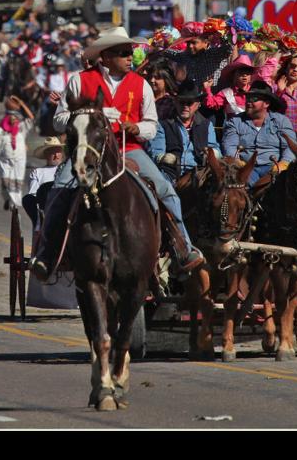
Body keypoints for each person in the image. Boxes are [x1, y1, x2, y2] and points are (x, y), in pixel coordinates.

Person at [31, 27, 204, 281]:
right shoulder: (79, 81)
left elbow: (151, 125)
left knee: (165, 190)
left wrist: (136, 128)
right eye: (123, 52)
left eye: (130, 51)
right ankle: (46, 254)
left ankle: (183, 248)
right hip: (87, 150)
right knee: (59, 189)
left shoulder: (141, 84)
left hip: (128, 149)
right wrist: (84, 116)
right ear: (105, 56)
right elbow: (59, 120)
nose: (129, 57)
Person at [148, 80, 215, 182]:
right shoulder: (162, 125)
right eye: (182, 102)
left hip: (199, 177)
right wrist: (163, 157)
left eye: (189, 103)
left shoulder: (207, 125)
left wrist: (212, 153)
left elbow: (215, 148)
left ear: (198, 104)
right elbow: (156, 152)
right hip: (170, 175)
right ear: (175, 102)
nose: (185, 106)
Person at [0, 97, 33, 211]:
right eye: (11, 118)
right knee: (5, 181)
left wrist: (21, 103)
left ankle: (14, 204)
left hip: (19, 159)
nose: (13, 120)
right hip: (5, 160)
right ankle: (8, 199)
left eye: (15, 118)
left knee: (17, 180)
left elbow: (31, 118)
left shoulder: (22, 129)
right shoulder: (2, 129)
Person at [22, 137, 64, 226]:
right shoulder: (38, 172)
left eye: (58, 151)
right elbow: (33, 194)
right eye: (53, 152)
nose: (56, 155)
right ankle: (39, 225)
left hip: (64, 205)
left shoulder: (68, 169)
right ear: (46, 155)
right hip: (45, 207)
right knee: (28, 199)